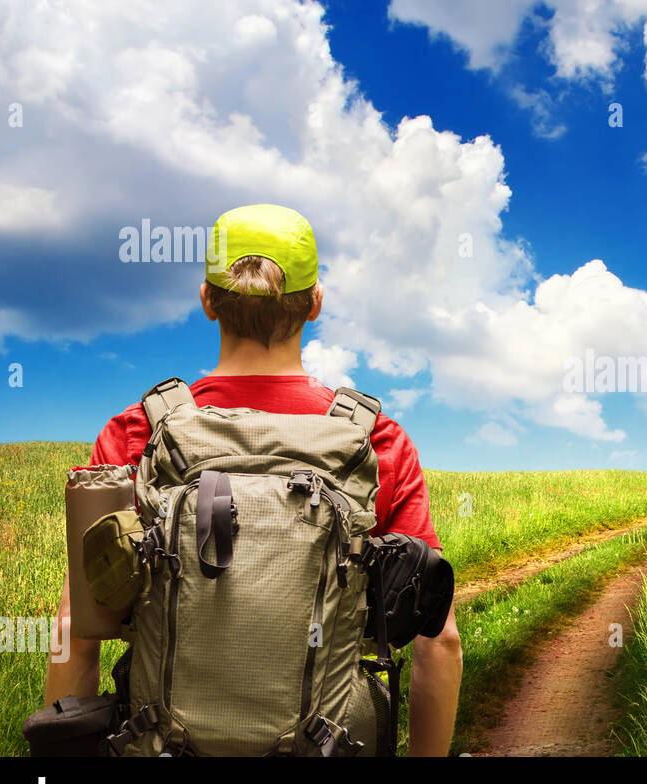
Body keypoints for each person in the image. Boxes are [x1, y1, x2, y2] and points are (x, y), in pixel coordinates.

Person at [42, 203, 462, 756]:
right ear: (315, 304)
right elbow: (440, 641)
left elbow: (79, 626)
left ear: (207, 300)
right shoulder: (375, 439)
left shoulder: (137, 431)